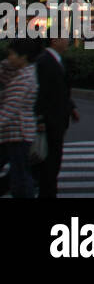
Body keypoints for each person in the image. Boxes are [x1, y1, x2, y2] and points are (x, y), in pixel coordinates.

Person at [0, 39, 40, 198]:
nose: (9, 58)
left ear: (23, 57)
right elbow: (5, 68)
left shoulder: (25, 79)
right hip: (12, 133)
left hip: (18, 133)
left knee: (20, 177)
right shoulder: (19, 72)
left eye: (12, 54)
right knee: (19, 174)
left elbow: (9, 109)